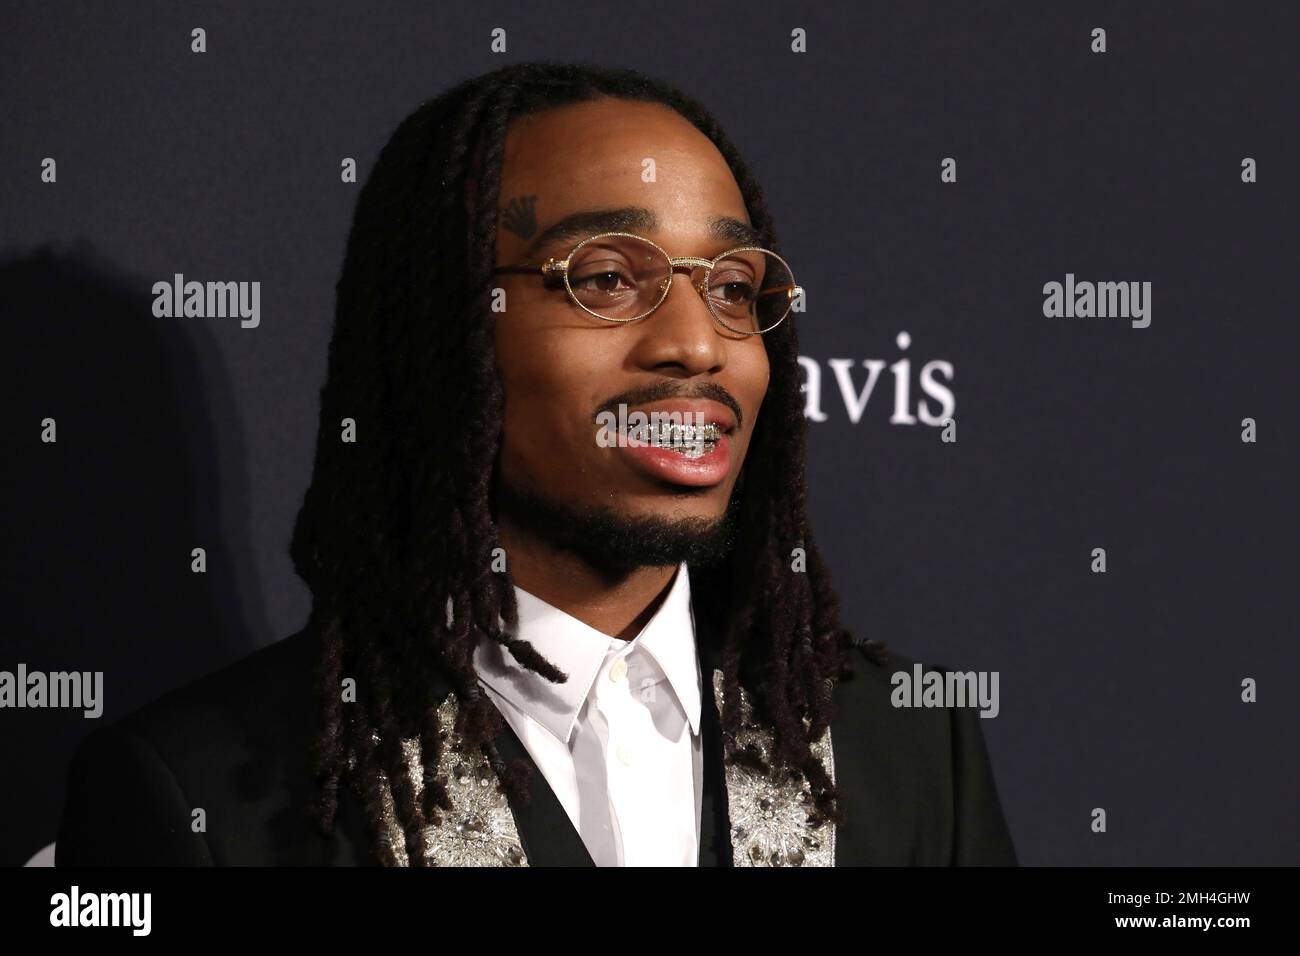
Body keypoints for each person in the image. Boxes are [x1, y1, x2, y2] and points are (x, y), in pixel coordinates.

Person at [56, 60, 1016, 867]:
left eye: (732, 287)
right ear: (443, 335)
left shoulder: (905, 743)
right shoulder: (204, 795)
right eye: (605, 278)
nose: (698, 343)